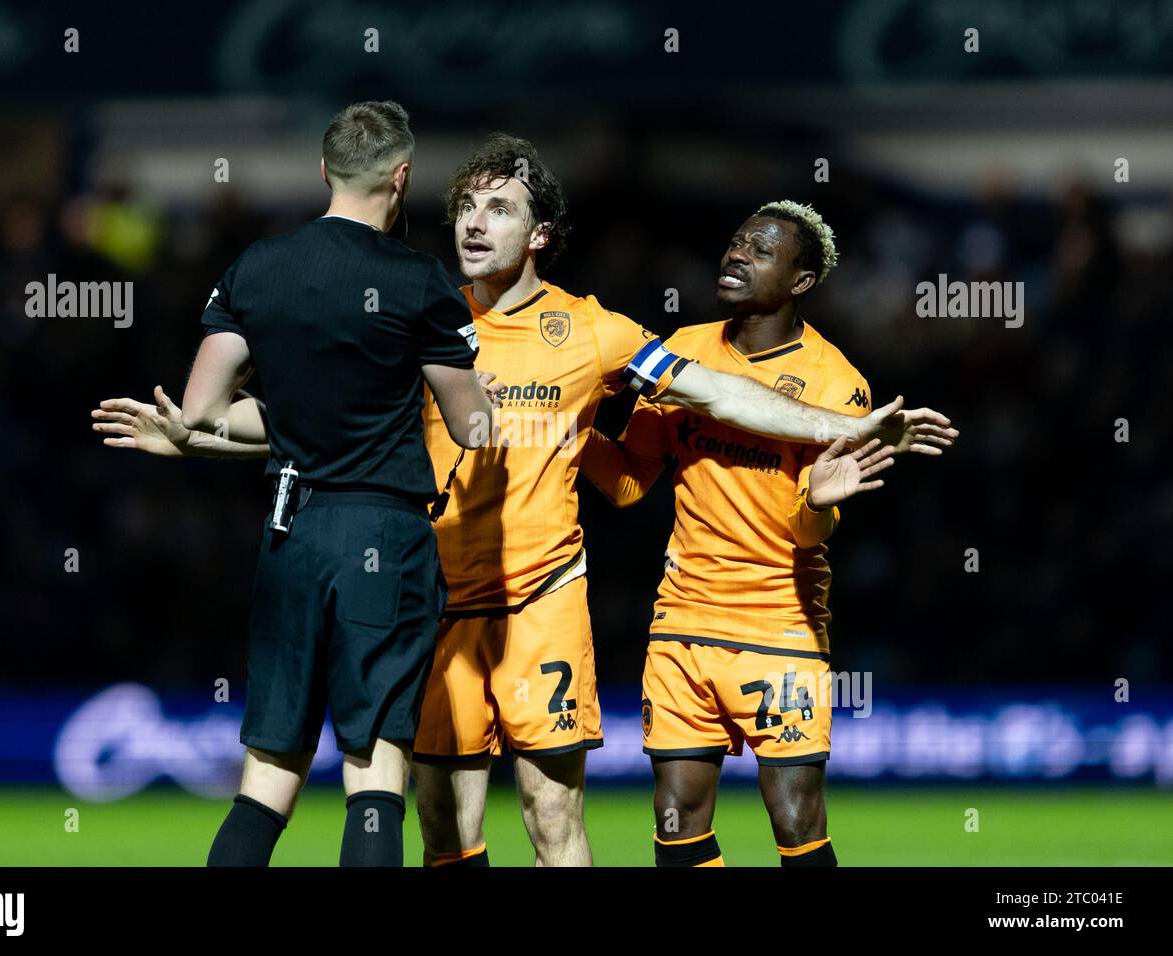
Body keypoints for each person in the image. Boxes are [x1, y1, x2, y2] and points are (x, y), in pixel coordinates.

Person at [95, 137, 955, 867]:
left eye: (497, 209)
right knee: (445, 829)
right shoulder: (419, 310)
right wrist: (196, 435)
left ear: (538, 233)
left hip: (543, 602)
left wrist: (834, 425)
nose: (472, 222)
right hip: (431, 605)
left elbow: (719, 395)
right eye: (466, 205)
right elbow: (316, 424)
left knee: (552, 819)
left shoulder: (593, 332)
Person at [98, 100, 499, 867]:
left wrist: (190, 441)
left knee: (268, 777)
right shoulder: (419, 282)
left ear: (325, 171)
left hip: (292, 534)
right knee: (375, 769)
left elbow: (205, 411)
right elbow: (470, 424)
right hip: (383, 536)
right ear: (402, 175)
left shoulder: (258, 268)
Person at [580, 200, 957, 867]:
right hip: (683, 621)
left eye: (760, 249)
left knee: (794, 820)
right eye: (734, 244)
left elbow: (809, 533)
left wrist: (816, 500)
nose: (736, 256)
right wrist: (570, 430)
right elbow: (630, 484)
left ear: (802, 280)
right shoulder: (683, 354)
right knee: (676, 822)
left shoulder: (838, 385)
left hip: (779, 624)